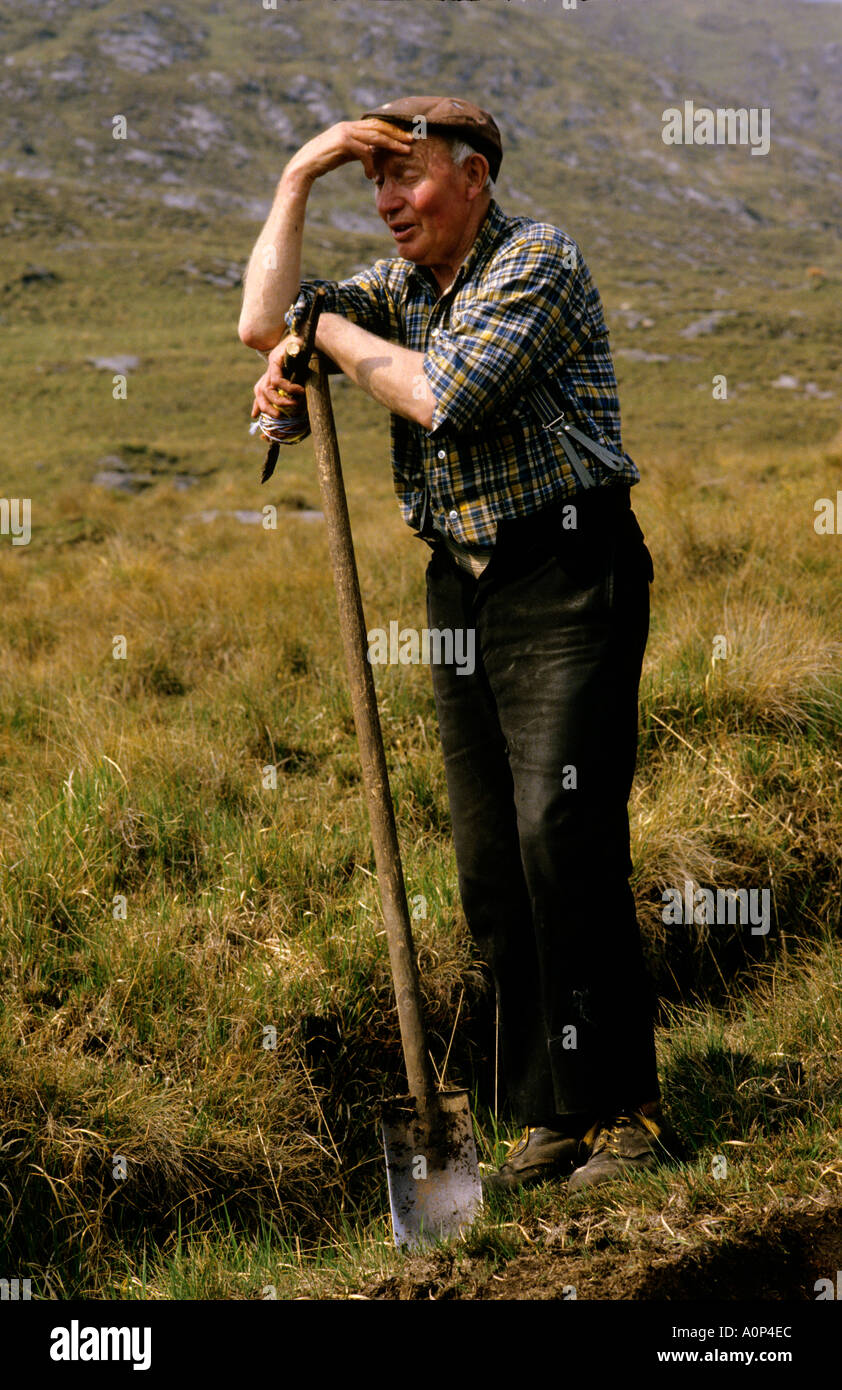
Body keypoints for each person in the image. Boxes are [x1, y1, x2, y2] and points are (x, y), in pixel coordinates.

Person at [239, 95, 674, 1193]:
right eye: (371, 181)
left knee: (559, 832)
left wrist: (321, 334)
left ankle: (625, 1113)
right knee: (488, 866)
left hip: (568, 569)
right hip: (463, 583)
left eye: (407, 175)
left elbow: (447, 395)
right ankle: (550, 1116)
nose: (386, 203)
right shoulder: (399, 289)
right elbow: (259, 316)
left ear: (475, 175)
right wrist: (299, 175)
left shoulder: (534, 260)